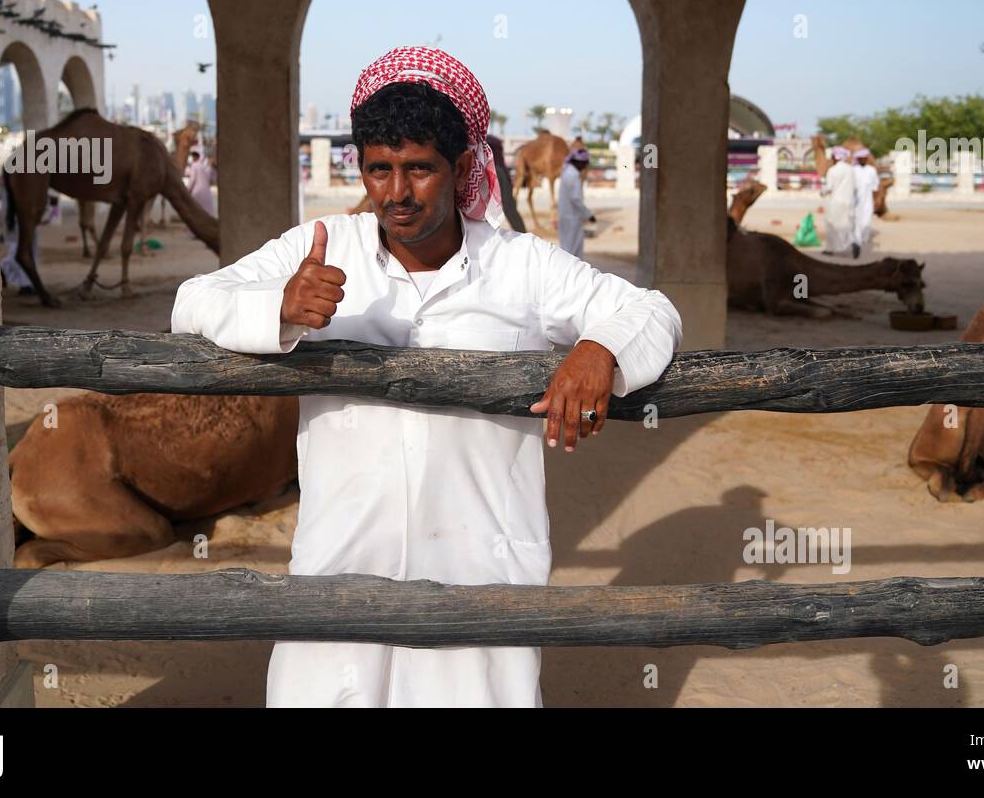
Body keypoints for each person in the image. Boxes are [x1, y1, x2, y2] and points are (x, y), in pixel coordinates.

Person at [170, 46, 683, 708]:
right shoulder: (326, 245)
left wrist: (599, 348)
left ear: (464, 167)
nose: (396, 193)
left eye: (419, 170)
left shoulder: (520, 266)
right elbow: (191, 303)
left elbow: (650, 311)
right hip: (340, 564)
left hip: (481, 571)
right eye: (379, 170)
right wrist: (278, 305)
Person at [557, 147, 594, 257]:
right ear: (579, 162)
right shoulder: (572, 176)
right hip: (572, 219)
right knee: (572, 252)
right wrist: (589, 214)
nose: (585, 167)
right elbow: (576, 199)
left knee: (567, 249)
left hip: (566, 216)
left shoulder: (567, 173)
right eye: (585, 163)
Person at [820, 145, 857, 257]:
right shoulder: (851, 169)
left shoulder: (832, 170)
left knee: (831, 225)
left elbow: (829, 188)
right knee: (847, 224)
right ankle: (853, 241)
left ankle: (830, 249)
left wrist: (822, 192)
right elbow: (855, 186)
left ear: (835, 157)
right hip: (849, 201)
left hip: (836, 202)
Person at [852, 147, 879, 257]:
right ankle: (856, 242)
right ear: (858, 159)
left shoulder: (872, 170)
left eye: (864, 158)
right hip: (855, 200)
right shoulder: (853, 170)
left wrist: (876, 201)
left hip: (868, 201)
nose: (862, 160)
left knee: (866, 222)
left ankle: (862, 239)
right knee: (856, 221)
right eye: (860, 158)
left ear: (867, 159)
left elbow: (875, 187)